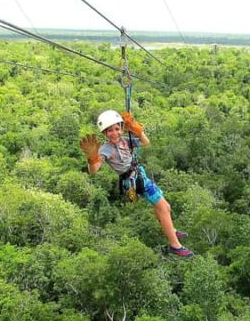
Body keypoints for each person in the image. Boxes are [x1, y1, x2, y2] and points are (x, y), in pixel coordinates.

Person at [79, 110, 194, 258]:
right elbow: (94, 170)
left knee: (164, 207)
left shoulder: (126, 140)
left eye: (117, 128)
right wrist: (91, 158)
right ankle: (175, 245)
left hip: (140, 176)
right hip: (134, 181)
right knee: (164, 208)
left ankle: (171, 230)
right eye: (109, 131)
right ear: (104, 133)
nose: (114, 133)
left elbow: (146, 143)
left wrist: (137, 130)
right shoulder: (106, 149)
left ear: (122, 128)